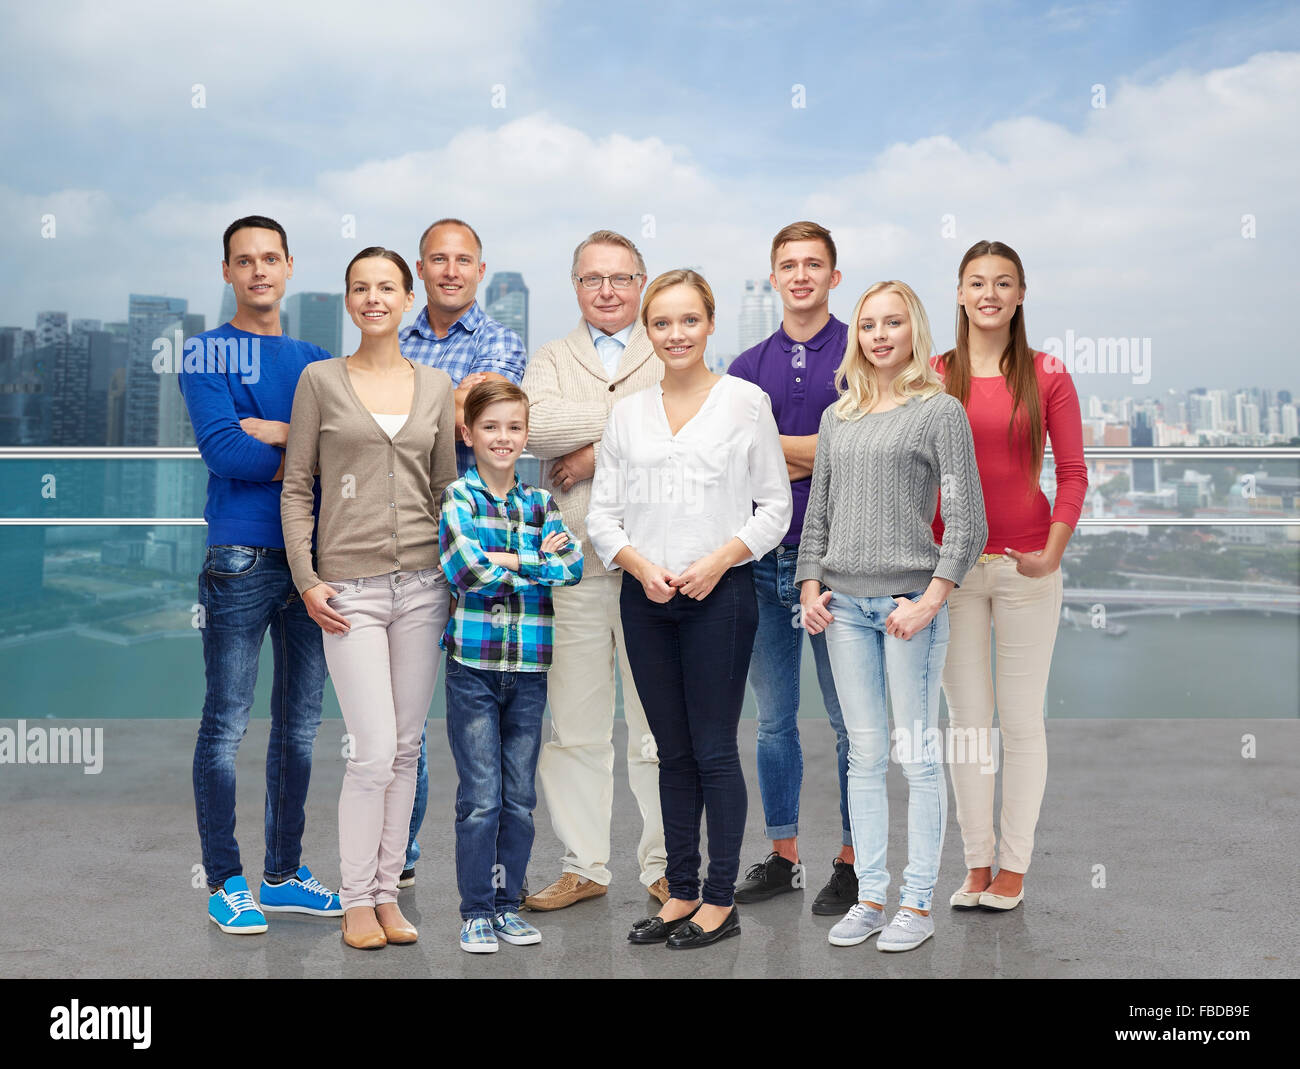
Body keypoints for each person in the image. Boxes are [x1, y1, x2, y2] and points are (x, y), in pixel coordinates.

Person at [587, 269, 792, 950]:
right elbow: (602, 516)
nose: (675, 334)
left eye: (688, 320)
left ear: (709, 325)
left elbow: (775, 506)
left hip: (721, 598)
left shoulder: (745, 402)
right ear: (649, 332)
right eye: (662, 322)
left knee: (712, 750)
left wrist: (719, 559)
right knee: (669, 753)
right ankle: (679, 892)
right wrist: (640, 567)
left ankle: (720, 899)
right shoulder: (627, 413)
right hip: (643, 599)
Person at [796, 280, 986, 952]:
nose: (878, 335)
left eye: (892, 324)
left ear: (914, 332)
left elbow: (966, 517)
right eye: (869, 325)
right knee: (865, 755)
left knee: (917, 756)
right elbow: (817, 513)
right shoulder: (838, 417)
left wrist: (932, 599)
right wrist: (809, 585)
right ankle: (871, 896)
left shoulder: (940, 413)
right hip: (841, 607)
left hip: (911, 605)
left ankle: (916, 904)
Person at [280, 247, 457, 949]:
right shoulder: (320, 381)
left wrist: (459, 578)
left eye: (387, 287)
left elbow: (446, 491)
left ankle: (388, 897)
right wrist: (307, 576)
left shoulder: (437, 385)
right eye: (361, 287)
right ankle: (356, 897)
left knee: (408, 747)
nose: (374, 297)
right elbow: (297, 487)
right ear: (349, 300)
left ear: (407, 298)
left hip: (424, 586)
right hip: (346, 590)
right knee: (373, 748)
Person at [178, 215, 341, 934]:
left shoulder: (314, 358)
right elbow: (224, 454)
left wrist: (278, 440)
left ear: (289, 266)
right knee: (226, 724)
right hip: (240, 557)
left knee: (301, 727)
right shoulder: (202, 354)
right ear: (227, 273)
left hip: (313, 561)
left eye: (269, 258)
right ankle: (225, 882)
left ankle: (282, 874)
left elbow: (346, 452)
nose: (258, 271)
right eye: (243, 261)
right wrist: (302, 458)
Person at [933, 241, 1087, 913]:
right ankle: (976, 861)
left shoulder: (1047, 372)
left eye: (1003, 282)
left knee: (1021, 722)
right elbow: (913, 474)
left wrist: (1051, 552)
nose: (990, 292)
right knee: (968, 722)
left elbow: (1075, 474)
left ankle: (1014, 867)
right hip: (952, 573)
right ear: (960, 293)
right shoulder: (933, 373)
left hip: (1027, 568)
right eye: (977, 282)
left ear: (1021, 294)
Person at [521, 230, 669, 912]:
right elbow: (534, 428)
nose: (606, 290)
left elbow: (682, 437)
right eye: (592, 279)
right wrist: (627, 424)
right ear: (574, 286)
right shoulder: (551, 357)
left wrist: (585, 454)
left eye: (619, 277)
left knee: (658, 724)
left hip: (652, 565)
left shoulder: (667, 344)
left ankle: (665, 864)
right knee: (575, 724)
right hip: (573, 568)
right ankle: (585, 864)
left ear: (641, 282)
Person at [727, 221, 856, 914]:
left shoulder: (860, 352)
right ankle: (783, 857)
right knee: (774, 721)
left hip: (838, 562)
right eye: (788, 265)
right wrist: (817, 445)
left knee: (849, 722)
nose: (800, 275)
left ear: (835, 277)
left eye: (814, 264)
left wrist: (778, 445)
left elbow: (856, 447)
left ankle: (853, 859)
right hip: (761, 560)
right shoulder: (745, 365)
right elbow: (734, 458)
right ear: (773, 276)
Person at [398, 217, 528, 888]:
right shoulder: (391, 336)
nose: (451, 269)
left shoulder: (504, 341)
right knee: (406, 711)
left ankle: (499, 871)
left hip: (481, 543)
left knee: (492, 700)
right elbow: (430, 417)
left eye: (464, 260)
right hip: (402, 537)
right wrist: (445, 401)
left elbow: (480, 420)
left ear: (481, 270)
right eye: (438, 259)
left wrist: (423, 402)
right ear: (420, 268)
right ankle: (402, 858)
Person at [439, 381, 584, 953]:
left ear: (527, 437)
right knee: (481, 798)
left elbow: (570, 565)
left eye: (514, 428)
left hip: (528, 670)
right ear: (469, 433)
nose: (503, 438)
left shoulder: (541, 503)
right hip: (472, 668)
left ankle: (507, 904)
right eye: (491, 427)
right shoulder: (458, 498)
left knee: (520, 797)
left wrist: (505, 557)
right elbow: (468, 574)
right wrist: (531, 561)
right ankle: (476, 910)